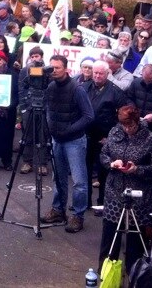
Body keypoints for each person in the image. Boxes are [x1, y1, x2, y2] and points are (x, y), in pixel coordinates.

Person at [98, 104, 152, 272]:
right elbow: (103, 154)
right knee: (110, 237)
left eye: (130, 125)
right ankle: (105, 274)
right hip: (114, 191)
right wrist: (111, 163)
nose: (127, 129)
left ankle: (133, 274)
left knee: (134, 242)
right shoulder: (114, 132)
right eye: (124, 125)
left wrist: (137, 169)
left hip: (138, 196)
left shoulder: (150, 139)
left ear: (137, 121)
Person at [42, 54, 94, 234]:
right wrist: (50, 126)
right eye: (51, 67)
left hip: (74, 141)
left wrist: (69, 129)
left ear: (66, 69)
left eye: (57, 68)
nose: (53, 71)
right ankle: (58, 210)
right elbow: (48, 109)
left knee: (79, 181)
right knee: (58, 178)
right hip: (57, 139)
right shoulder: (50, 87)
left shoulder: (77, 89)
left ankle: (78, 215)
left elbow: (89, 116)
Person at [83, 60, 129, 208]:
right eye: (95, 73)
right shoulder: (84, 87)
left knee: (104, 172)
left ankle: (102, 202)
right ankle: (85, 201)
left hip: (104, 139)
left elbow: (122, 117)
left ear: (107, 73)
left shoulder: (116, 92)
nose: (97, 76)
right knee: (85, 170)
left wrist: (111, 137)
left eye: (100, 73)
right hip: (85, 136)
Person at [18, 46, 50, 176]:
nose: (35, 59)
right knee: (28, 136)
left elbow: (49, 87)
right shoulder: (25, 70)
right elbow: (21, 89)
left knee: (43, 136)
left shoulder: (47, 70)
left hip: (43, 106)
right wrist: (23, 108)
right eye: (32, 57)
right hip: (28, 106)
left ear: (41, 57)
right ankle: (27, 162)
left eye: (37, 56)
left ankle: (42, 164)